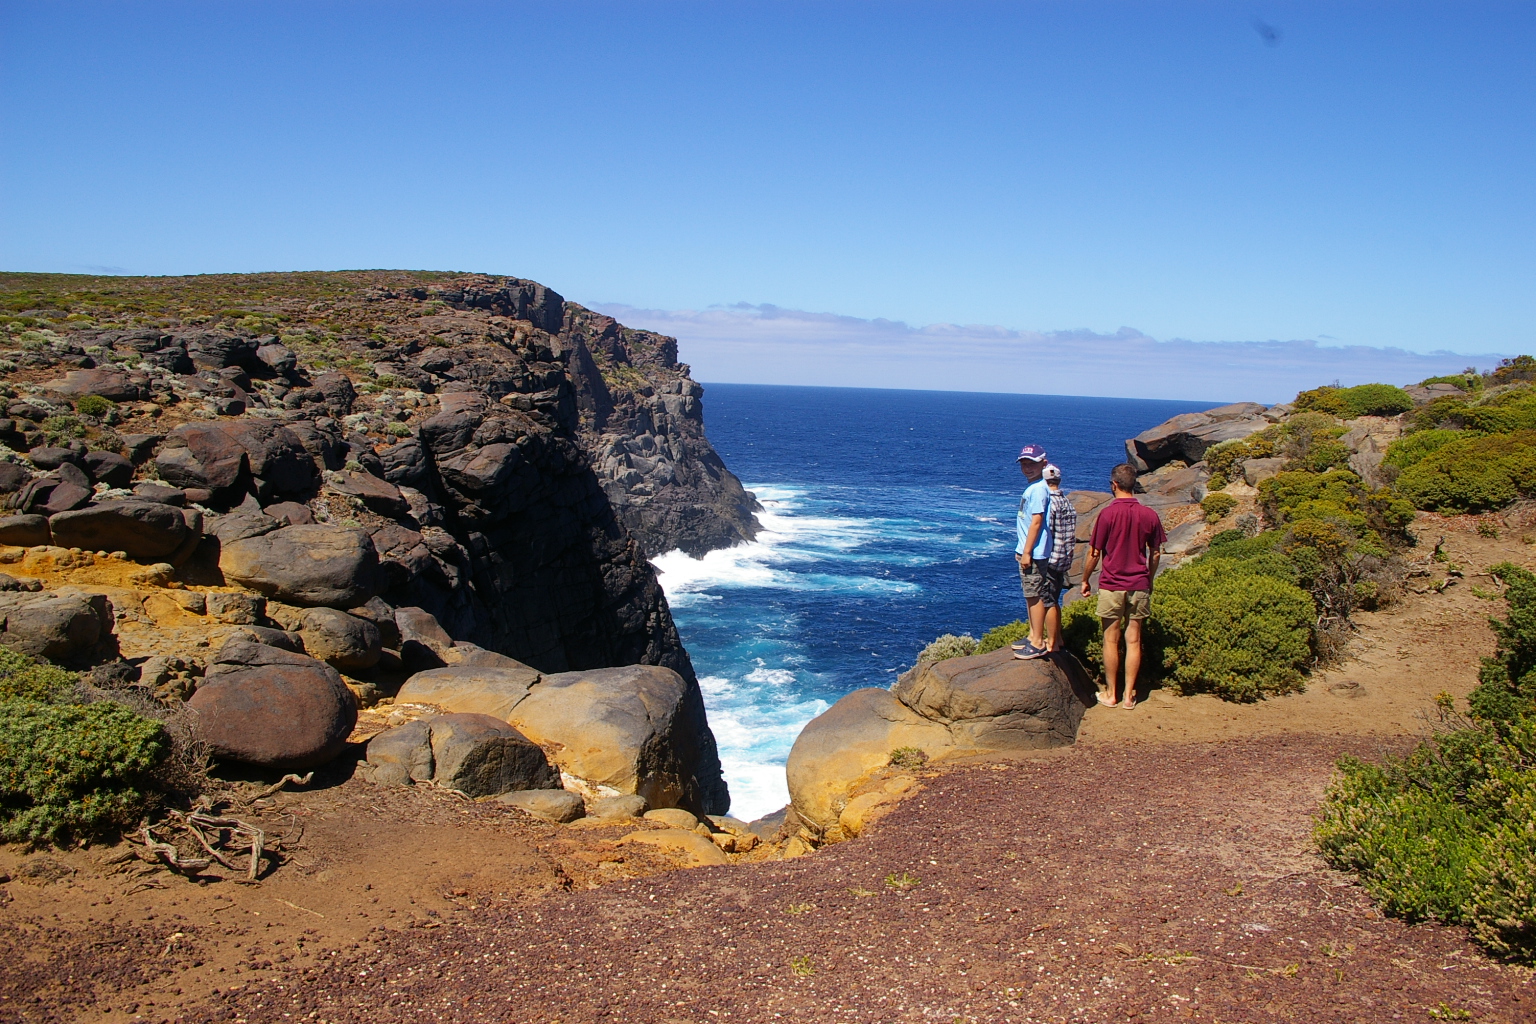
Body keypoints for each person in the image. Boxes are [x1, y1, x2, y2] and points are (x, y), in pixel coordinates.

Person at [1080, 463, 1165, 708]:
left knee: (1110, 640)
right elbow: (1155, 552)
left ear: (1114, 485)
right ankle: (1129, 696)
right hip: (1139, 584)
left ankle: (1111, 693)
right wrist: (1149, 579)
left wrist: (1085, 579)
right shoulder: (1149, 514)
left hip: (1112, 584)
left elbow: (1094, 552)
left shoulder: (1107, 514)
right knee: (1134, 640)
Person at [1010, 445, 1057, 660]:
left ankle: (1037, 641)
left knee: (1034, 595)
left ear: (1044, 464)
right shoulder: (1036, 487)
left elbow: (1036, 521)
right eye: (1024, 464)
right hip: (1030, 550)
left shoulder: (1038, 489)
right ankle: (1032, 635)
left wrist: (1027, 552)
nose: (1027, 468)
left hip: (1034, 553)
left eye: (1032, 464)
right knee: (1030, 595)